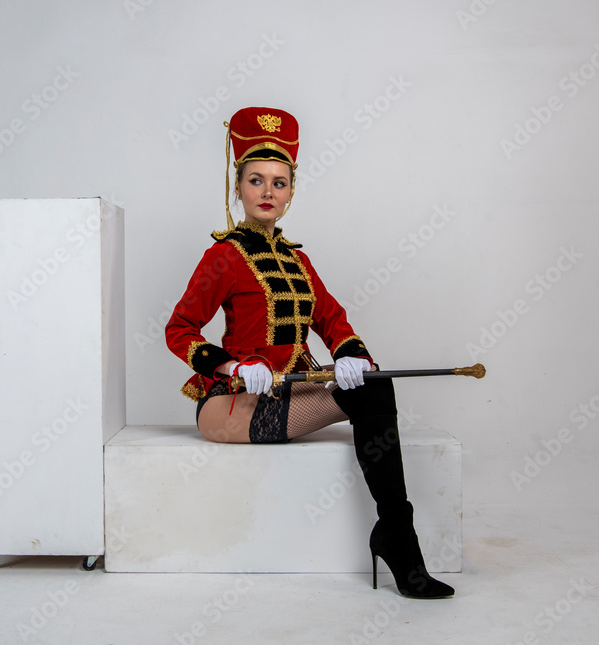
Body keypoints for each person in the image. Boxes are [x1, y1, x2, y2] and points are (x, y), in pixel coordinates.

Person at [165, 106, 453, 599]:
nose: (267, 192)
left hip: (290, 392)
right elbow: (179, 329)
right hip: (232, 403)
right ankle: (399, 544)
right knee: (372, 398)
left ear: (292, 193)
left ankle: (396, 535)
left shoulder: (299, 260)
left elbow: (333, 320)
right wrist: (231, 364)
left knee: (373, 385)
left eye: (279, 183)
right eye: (256, 180)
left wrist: (352, 357)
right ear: (238, 188)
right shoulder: (224, 256)